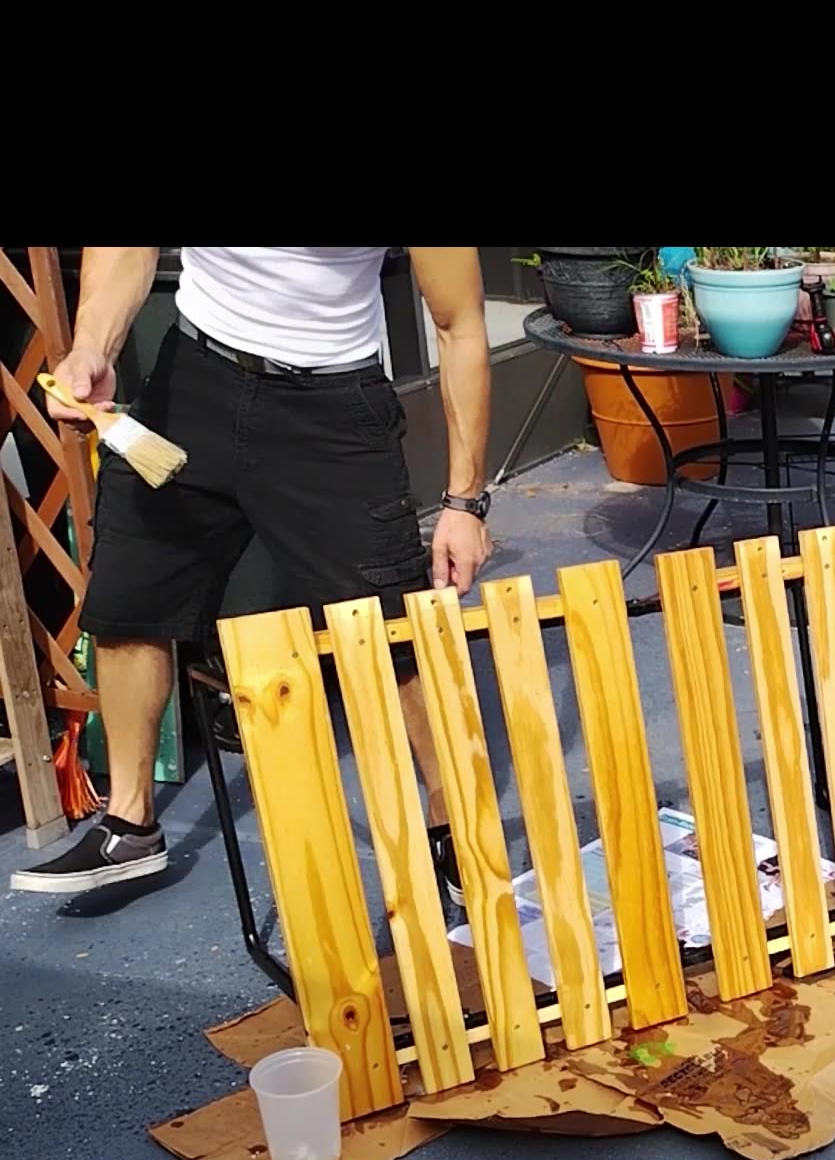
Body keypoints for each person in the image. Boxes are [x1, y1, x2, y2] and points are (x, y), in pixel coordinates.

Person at [10, 246, 493, 900]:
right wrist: (93, 341)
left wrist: (463, 502)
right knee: (130, 590)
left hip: (330, 405)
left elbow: (458, 323)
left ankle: (453, 827)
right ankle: (130, 826)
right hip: (195, 379)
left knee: (393, 629)